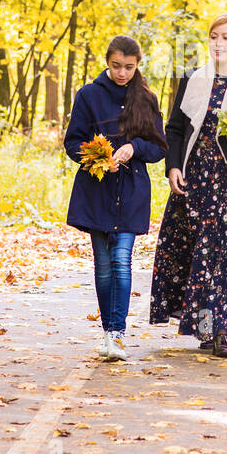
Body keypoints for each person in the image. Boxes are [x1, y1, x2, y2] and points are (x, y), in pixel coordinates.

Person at [150, 14, 227, 358]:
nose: (219, 43)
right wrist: (173, 166)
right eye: (214, 37)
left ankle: (224, 331)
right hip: (198, 181)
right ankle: (206, 330)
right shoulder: (191, 79)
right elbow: (174, 129)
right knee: (201, 257)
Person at [63, 35, 167, 363]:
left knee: (121, 259)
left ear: (138, 65)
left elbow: (158, 146)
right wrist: (97, 155)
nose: (122, 73)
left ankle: (118, 334)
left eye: (129, 67)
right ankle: (107, 331)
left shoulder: (146, 98)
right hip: (97, 189)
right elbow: (72, 141)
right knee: (104, 264)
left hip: (132, 189)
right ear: (107, 62)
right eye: (116, 66)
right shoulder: (88, 95)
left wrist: (134, 148)